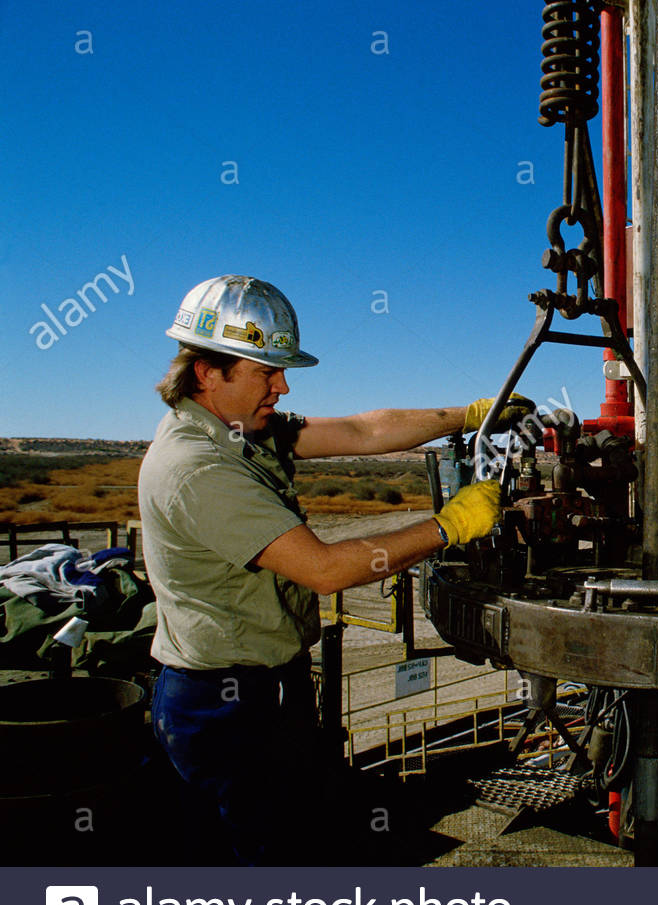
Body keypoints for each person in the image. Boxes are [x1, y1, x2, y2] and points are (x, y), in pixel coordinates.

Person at [138, 275, 531, 863]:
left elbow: (361, 430)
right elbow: (324, 569)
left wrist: (467, 415)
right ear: (207, 372)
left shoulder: (244, 431)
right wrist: (448, 527)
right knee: (256, 854)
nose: (283, 384)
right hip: (221, 704)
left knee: (296, 831)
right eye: (265, 372)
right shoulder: (198, 468)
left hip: (268, 686)